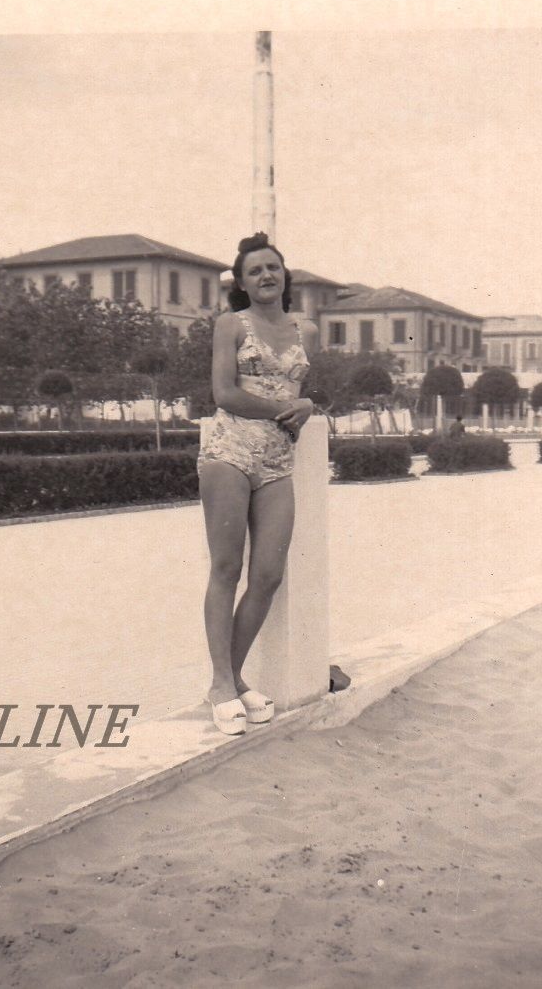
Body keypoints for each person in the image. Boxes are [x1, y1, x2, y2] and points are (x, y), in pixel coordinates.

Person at [196, 233, 318, 735]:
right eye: (255, 271)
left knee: (267, 575)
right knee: (227, 568)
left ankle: (231, 678)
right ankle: (223, 685)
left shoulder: (307, 330)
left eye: (273, 267)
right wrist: (285, 409)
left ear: (284, 274)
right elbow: (224, 393)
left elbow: (304, 394)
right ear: (242, 284)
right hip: (229, 452)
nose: (266, 276)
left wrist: (308, 405)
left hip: (277, 461)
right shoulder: (230, 324)